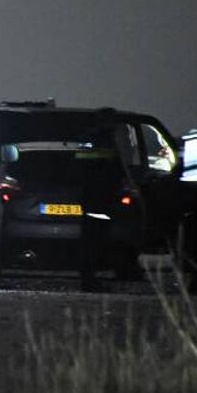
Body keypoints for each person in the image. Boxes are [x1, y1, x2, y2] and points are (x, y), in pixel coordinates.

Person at [76, 123, 124, 292]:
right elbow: (113, 171)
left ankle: (89, 278)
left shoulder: (92, 142)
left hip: (95, 199)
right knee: (93, 242)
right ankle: (89, 279)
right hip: (99, 200)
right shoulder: (103, 143)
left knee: (92, 241)